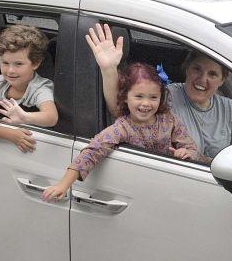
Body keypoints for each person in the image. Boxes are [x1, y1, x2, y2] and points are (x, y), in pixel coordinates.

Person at [85, 21, 232, 163]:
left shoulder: (230, 108)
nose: (203, 79)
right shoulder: (167, 96)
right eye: (197, 69)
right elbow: (120, 111)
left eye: (212, 74)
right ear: (187, 69)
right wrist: (108, 69)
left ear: (222, 81)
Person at [42, 62, 195, 201]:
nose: (146, 103)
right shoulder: (122, 128)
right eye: (139, 96)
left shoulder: (168, 120)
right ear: (125, 97)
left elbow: (191, 148)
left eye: (153, 97)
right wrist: (63, 185)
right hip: (134, 189)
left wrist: (185, 152)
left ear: (161, 98)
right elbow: (92, 151)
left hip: (170, 186)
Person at [0, 23, 58, 154]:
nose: (10, 70)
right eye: (5, 63)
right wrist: (11, 134)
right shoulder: (0, 84)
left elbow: (51, 117)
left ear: (35, 63)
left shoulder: (40, 88)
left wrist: (25, 117)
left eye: (18, 64)